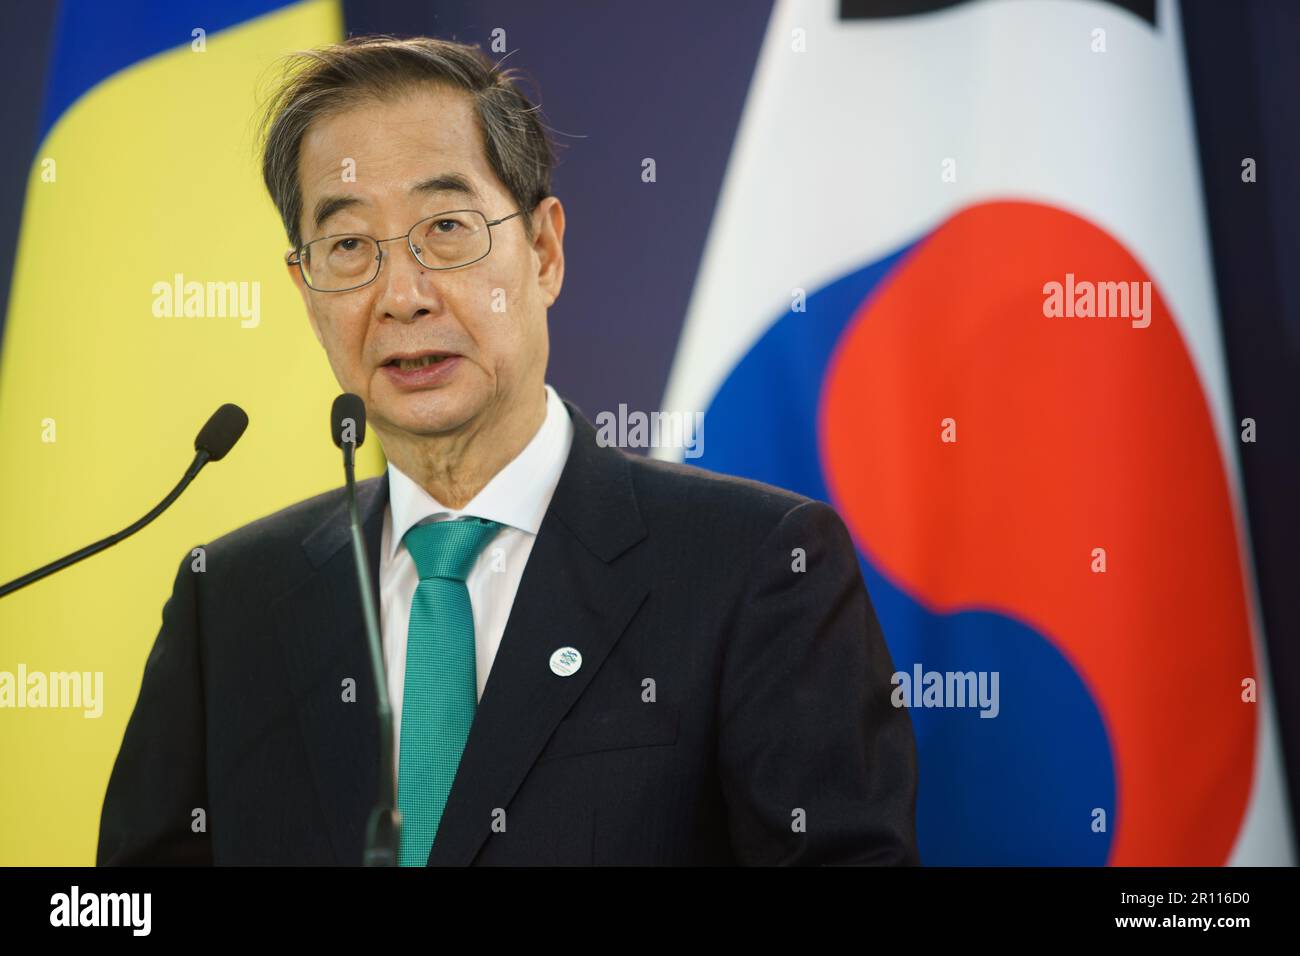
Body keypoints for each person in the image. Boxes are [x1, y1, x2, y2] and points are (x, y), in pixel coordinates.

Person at [97, 35, 918, 866]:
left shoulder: (753, 570)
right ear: (307, 293)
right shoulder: (231, 601)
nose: (403, 297)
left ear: (545, 252)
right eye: (349, 247)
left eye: (446, 228)